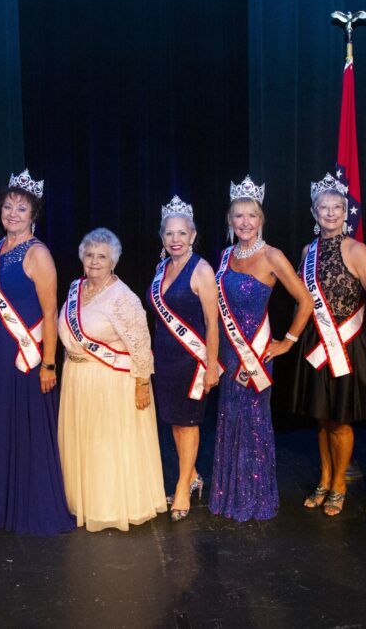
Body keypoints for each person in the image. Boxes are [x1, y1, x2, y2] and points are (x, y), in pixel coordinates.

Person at [284, 174, 366, 517]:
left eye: (337, 207)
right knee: (321, 418)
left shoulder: (355, 249)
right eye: (323, 207)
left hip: (346, 344)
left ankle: (340, 484)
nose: (330, 213)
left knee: (340, 421)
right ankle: (325, 479)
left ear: (346, 212)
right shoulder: (308, 251)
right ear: (313, 212)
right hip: (317, 344)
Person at [210, 176, 313, 522]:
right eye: (238, 216)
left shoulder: (273, 256)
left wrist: (289, 341)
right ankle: (229, 494)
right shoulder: (225, 256)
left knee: (253, 421)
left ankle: (254, 496)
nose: (245, 222)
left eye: (251, 215)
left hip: (256, 354)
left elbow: (305, 301)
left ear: (261, 219)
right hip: (229, 353)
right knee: (229, 417)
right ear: (230, 220)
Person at [57, 228, 167, 532]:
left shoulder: (123, 297)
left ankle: (109, 507)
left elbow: (141, 345)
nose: (94, 261)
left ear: (113, 262)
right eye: (89, 255)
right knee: (86, 444)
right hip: (77, 378)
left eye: (102, 256)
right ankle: (84, 502)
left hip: (111, 382)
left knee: (106, 445)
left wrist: (143, 384)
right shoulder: (75, 287)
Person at [0, 170, 73, 535]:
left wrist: (49, 363)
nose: (13, 214)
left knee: (32, 429)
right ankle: (5, 507)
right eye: (8, 207)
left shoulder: (38, 254)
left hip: (29, 355)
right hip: (0, 350)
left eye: (21, 208)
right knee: (5, 424)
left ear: (33, 214)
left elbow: (50, 313)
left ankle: (35, 507)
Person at [146, 196, 221, 522]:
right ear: (163, 238)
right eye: (169, 234)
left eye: (182, 233)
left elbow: (212, 323)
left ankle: (181, 487)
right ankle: (190, 476)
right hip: (166, 359)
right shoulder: (162, 267)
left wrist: (211, 367)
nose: (175, 239)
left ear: (192, 236)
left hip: (192, 361)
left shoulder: (202, 269)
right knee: (176, 423)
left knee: (188, 424)